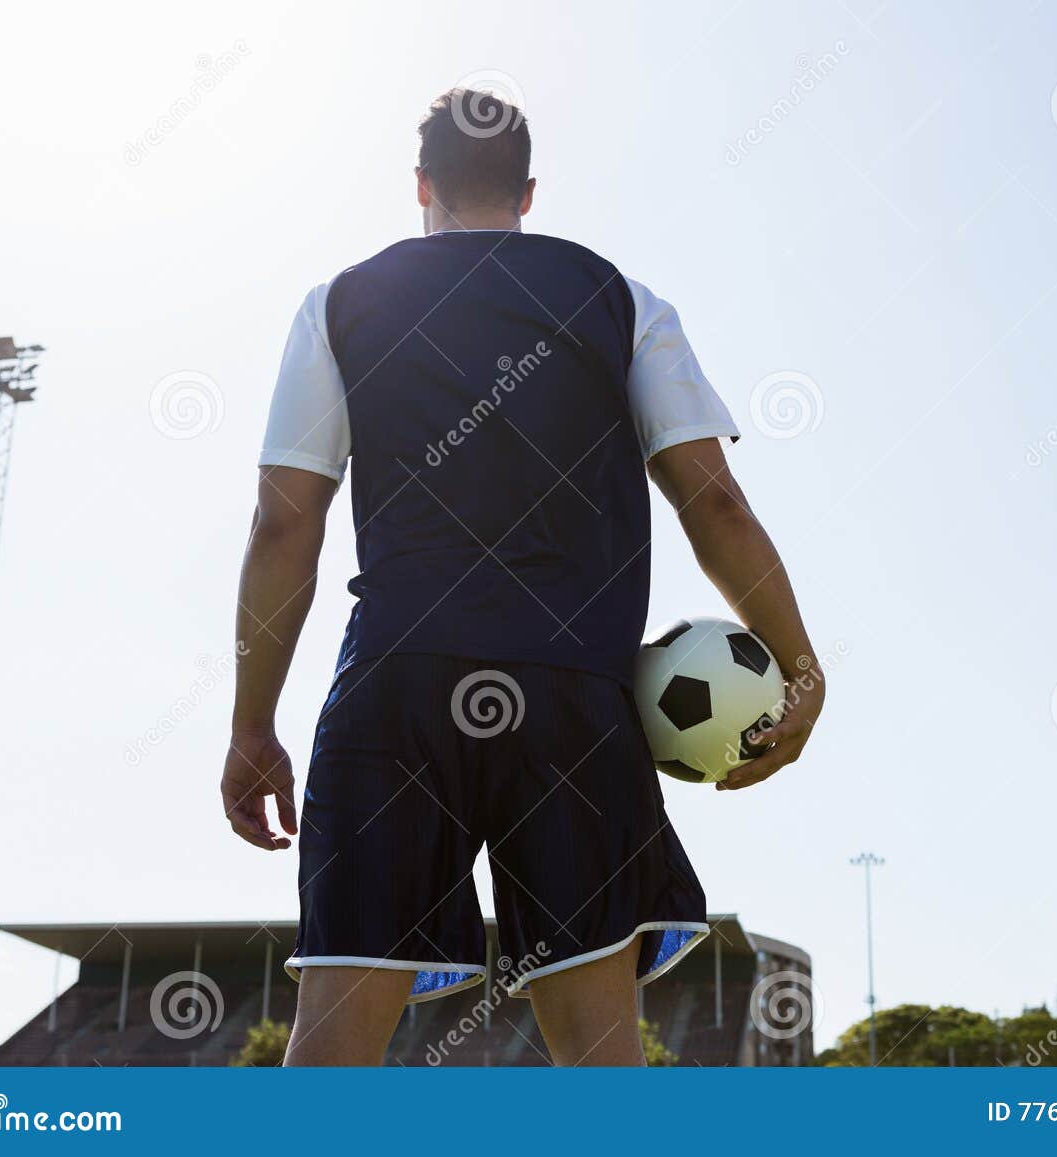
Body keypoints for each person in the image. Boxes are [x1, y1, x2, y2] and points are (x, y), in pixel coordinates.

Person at [220, 88, 822, 1066]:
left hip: (395, 686)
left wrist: (253, 724)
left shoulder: (340, 301)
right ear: (528, 191)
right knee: (595, 1059)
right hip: (571, 698)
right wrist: (801, 666)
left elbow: (286, 518)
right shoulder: (620, 299)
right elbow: (716, 504)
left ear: (421, 185)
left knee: (331, 1051)